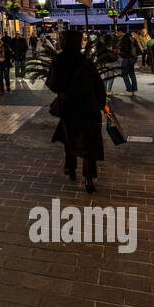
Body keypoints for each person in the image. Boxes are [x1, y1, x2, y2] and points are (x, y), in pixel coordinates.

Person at [46, 30, 107, 193]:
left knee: (70, 138)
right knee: (89, 143)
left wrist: (64, 92)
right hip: (89, 107)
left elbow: (51, 84)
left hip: (69, 107)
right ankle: (88, 178)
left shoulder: (58, 61)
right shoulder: (86, 62)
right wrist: (101, 103)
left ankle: (70, 167)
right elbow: (98, 84)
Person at [114, 26, 138, 95]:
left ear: (120, 32)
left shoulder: (124, 38)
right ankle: (134, 89)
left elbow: (125, 50)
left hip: (126, 58)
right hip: (132, 58)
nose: (117, 34)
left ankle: (129, 90)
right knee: (132, 74)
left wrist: (118, 51)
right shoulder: (130, 37)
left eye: (117, 32)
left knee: (124, 74)